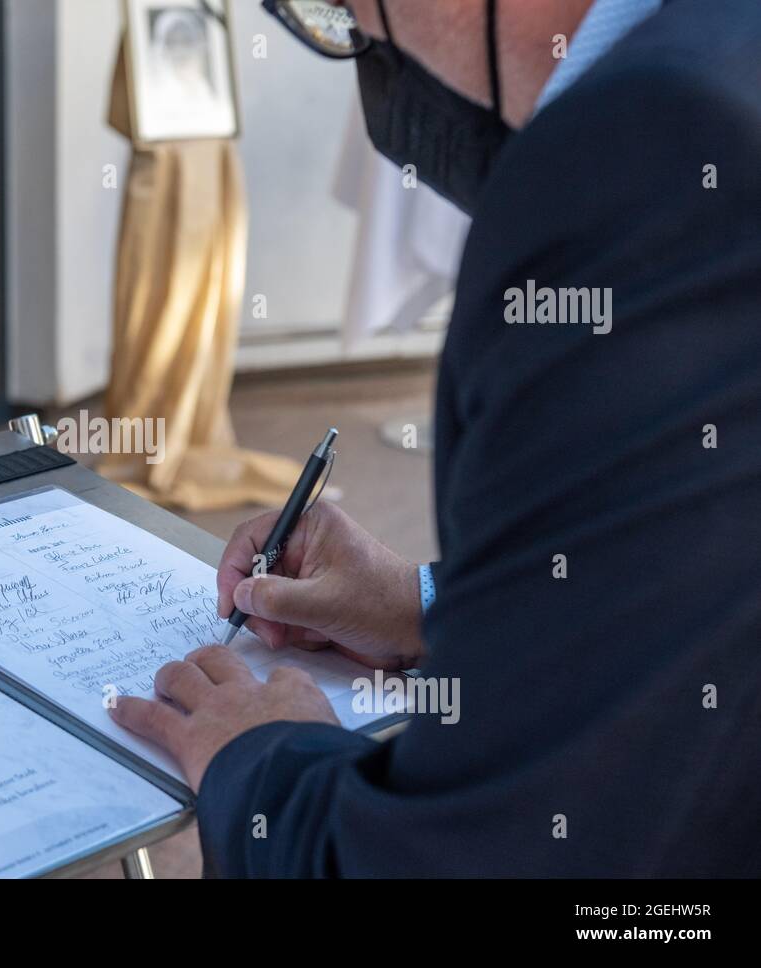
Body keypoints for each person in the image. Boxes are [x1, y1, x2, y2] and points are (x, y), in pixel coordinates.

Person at [110, 0, 761, 876]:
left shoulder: (640, 148)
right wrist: (427, 603)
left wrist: (266, 760)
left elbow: (502, 857)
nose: (346, 33)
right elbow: (700, 566)